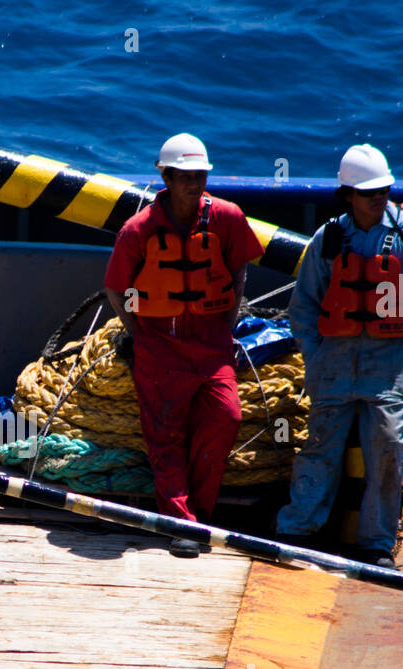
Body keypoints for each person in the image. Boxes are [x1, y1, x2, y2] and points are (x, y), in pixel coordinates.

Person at [276, 144, 403, 567]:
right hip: (333, 363)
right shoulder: (329, 239)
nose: (378, 197)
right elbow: (304, 304)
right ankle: (298, 530)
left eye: (384, 189)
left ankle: (376, 544)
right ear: (348, 195)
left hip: (391, 363)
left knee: (388, 448)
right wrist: (314, 354)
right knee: (318, 447)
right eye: (369, 191)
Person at [104, 133, 265, 556]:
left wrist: (225, 327)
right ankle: (183, 525)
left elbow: (239, 272)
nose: (195, 184)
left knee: (226, 416)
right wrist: (138, 334)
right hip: (158, 343)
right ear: (167, 178)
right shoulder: (137, 230)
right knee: (164, 435)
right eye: (186, 176)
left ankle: (201, 516)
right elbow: (117, 289)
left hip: (211, 341)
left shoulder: (228, 218)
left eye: (201, 176)